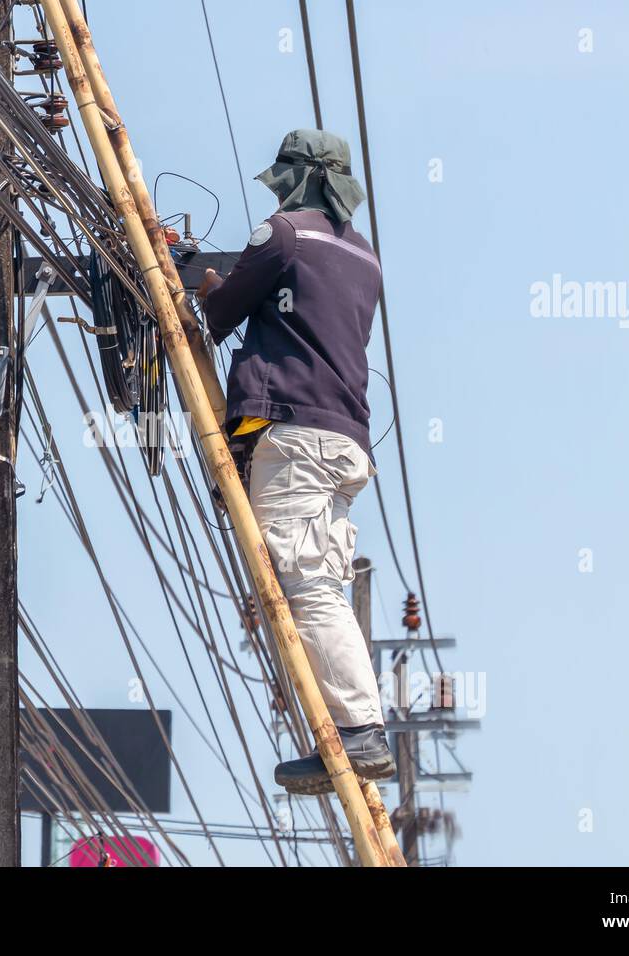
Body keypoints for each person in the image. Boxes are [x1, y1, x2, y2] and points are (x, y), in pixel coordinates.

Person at [195, 128, 394, 794]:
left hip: (294, 436)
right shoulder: (364, 257)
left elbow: (220, 313)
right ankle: (338, 734)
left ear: (297, 178)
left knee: (306, 590)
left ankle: (361, 729)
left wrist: (199, 281)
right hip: (344, 443)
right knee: (313, 585)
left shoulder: (282, 235)